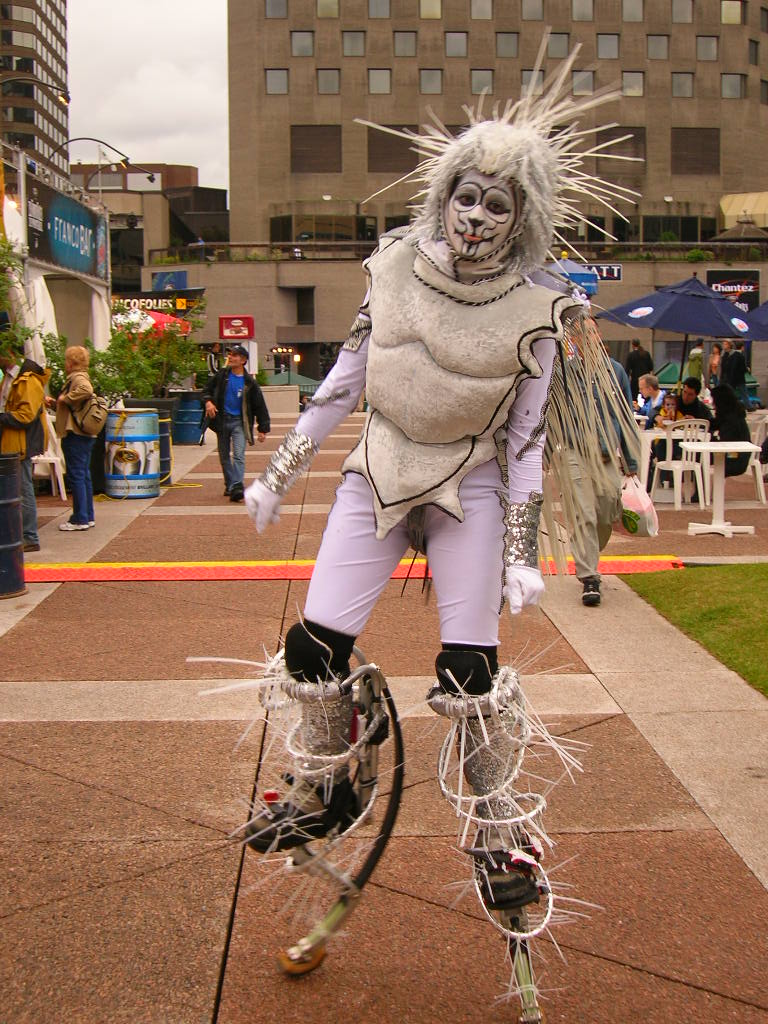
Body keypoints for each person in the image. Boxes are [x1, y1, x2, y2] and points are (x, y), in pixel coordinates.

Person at [239, 41, 635, 978]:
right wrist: (280, 471)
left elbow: (529, 440)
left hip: (472, 489)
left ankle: (500, 837)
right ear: (444, 196)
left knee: (473, 676)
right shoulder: (389, 269)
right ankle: (327, 785)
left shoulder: (544, 308)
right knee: (312, 649)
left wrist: (522, 551)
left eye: (499, 203)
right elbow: (339, 388)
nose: (478, 215)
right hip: (377, 474)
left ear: (521, 216)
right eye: (466, 194)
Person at [565, 346, 639, 607]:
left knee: (608, 508)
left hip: (606, 452)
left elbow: (625, 415)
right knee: (584, 513)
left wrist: (631, 459)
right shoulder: (567, 371)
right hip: (575, 452)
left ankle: (589, 550)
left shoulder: (615, 371)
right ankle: (589, 578)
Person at [202, 344, 270, 502]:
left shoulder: (249, 383)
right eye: (230, 354)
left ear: (243, 360)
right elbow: (206, 391)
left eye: (235, 355)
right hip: (222, 421)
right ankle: (231, 485)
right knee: (224, 456)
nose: (231, 357)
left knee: (239, 455)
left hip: (239, 422)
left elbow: (259, 405)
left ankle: (237, 486)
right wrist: (208, 402)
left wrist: (263, 428)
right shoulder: (221, 376)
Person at [0, 342, 49, 551]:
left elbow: (26, 415)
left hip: (20, 442)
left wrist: (2, 417)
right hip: (10, 439)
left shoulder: (27, 380)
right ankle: (20, 533)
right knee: (18, 487)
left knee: (23, 487)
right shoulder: (11, 378)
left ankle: (29, 536)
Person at [56, 345, 97, 531]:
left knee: (77, 475)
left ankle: (79, 518)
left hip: (76, 434)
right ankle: (87, 515)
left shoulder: (77, 378)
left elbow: (86, 390)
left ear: (72, 363)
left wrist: (65, 399)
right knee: (84, 475)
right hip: (85, 434)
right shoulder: (82, 376)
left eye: (66, 360)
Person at [710, 384, 752, 477]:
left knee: (701, 459)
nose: (713, 404)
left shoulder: (731, 420)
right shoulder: (732, 413)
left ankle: (701, 491)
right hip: (738, 456)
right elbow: (715, 424)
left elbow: (726, 443)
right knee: (702, 458)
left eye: (714, 401)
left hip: (735, 458)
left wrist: (712, 439)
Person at [723, 339, 750, 408]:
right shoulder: (726, 355)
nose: (723, 345)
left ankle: (748, 406)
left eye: (725, 344)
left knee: (737, 392)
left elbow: (737, 367)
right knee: (741, 393)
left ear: (730, 345)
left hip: (735, 378)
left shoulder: (734, 355)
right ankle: (748, 406)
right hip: (734, 378)